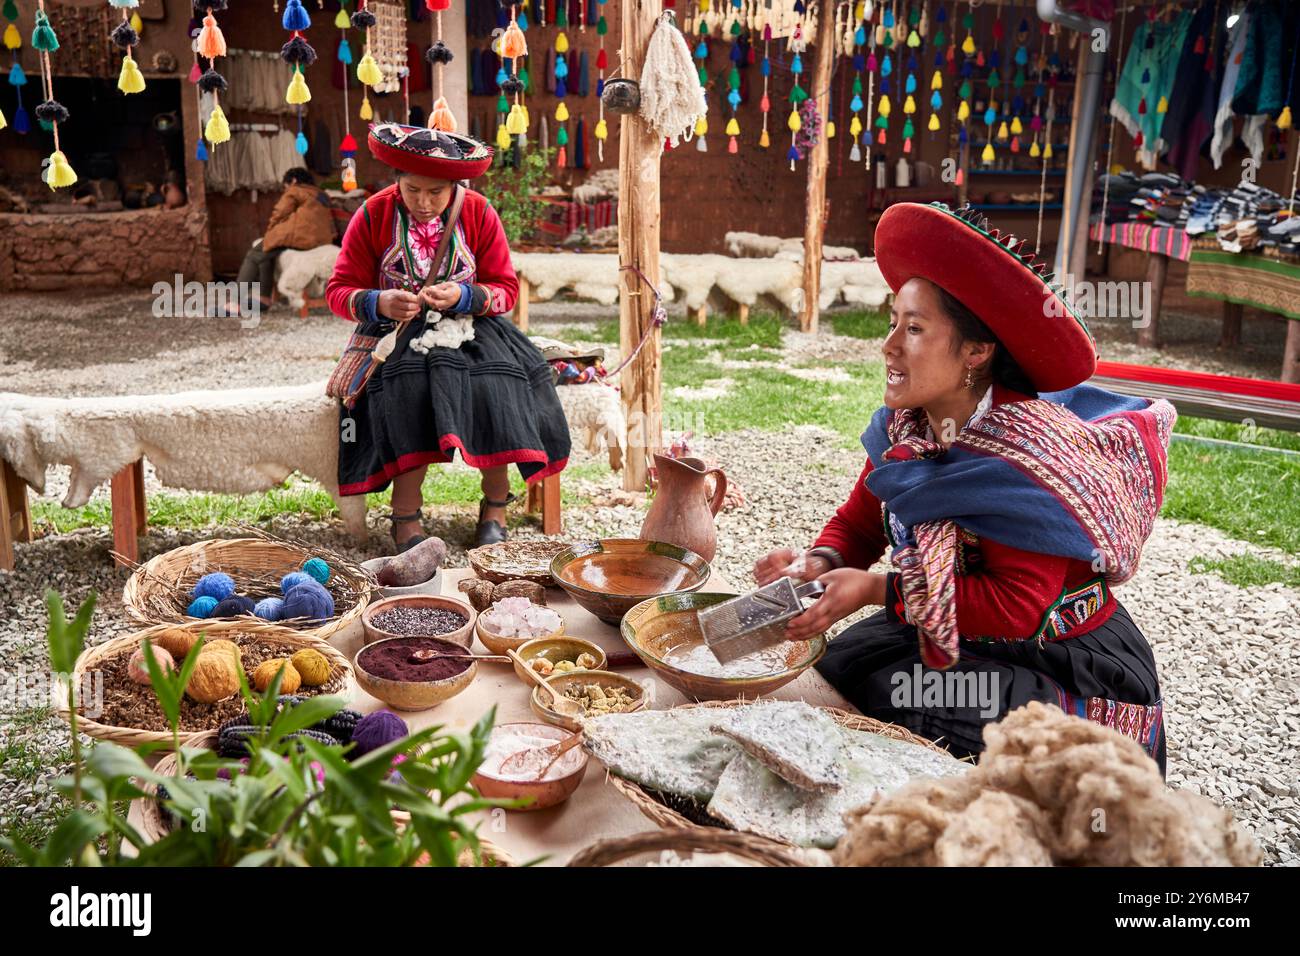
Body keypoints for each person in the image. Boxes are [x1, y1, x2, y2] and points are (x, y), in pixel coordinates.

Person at [755, 202, 1173, 773]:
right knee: (831, 675)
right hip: (958, 626)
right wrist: (817, 561)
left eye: (916, 329)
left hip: (1052, 656)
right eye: (893, 322)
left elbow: (1019, 605)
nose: (889, 345)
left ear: (977, 351)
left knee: (899, 706)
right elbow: (859, 521)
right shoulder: (910, 427)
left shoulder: (1027, 458)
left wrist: (879, 592)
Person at [325, 124, 570, 551]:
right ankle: (405, 515)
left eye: (436, 192)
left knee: (495, 385)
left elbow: (505, 290)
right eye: (412, 189)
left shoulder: (478, 212)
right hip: (396, 331)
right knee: (405, 388)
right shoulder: (373, 214)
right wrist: (379, 302)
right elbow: (338, 291)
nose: (423, 203)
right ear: (396, 179)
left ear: (456, 185)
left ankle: (496, 504)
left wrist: (465, 294)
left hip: (474, 327)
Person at [236, 167, 334, 312]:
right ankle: (264, 298)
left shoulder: (295, 190)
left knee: (254, 255)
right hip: (320, 240)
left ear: (293, 181)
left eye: (285, 186)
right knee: (267, 252)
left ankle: (236, 302)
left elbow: (279, 212)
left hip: (300, 238)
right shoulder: (322, 195)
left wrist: (271, 232)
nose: (285, 190)